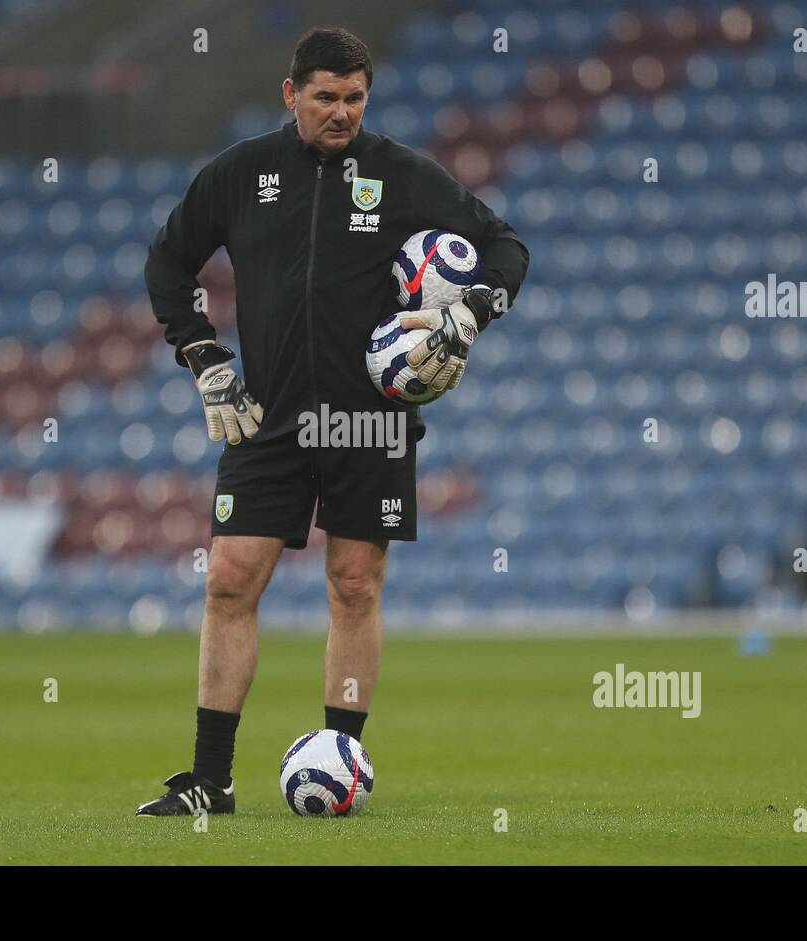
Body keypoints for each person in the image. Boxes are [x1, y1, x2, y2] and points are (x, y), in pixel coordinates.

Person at [137, 26, 529, 815]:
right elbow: (168, 258)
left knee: (354, 584)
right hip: (267, 419)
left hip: (372, 416)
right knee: (229, 581)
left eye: (354, 98)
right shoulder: (243, 173)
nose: (341, 112)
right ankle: (210, 781)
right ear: (292, 95)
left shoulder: (402, 174)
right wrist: (203, 354)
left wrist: (473, 313)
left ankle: (341, 759)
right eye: (325, 97)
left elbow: (503, 246)